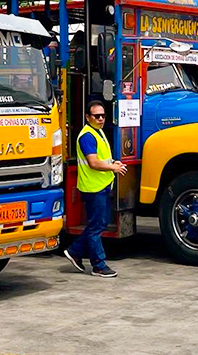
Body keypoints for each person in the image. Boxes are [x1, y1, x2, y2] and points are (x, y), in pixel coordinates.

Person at [63, 99, 126, 278]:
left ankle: (75, 251)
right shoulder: (87, 136)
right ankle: (98, 265)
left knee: (98, 224)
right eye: (96, 116)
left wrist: (113, 162)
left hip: (102, 185)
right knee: (96, 227)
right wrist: (113, 168)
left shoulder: (98, 133)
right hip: (93, 188)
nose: (100, 119)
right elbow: (93, 162)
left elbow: (102, 159)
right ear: (87, 117)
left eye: (103, 115)